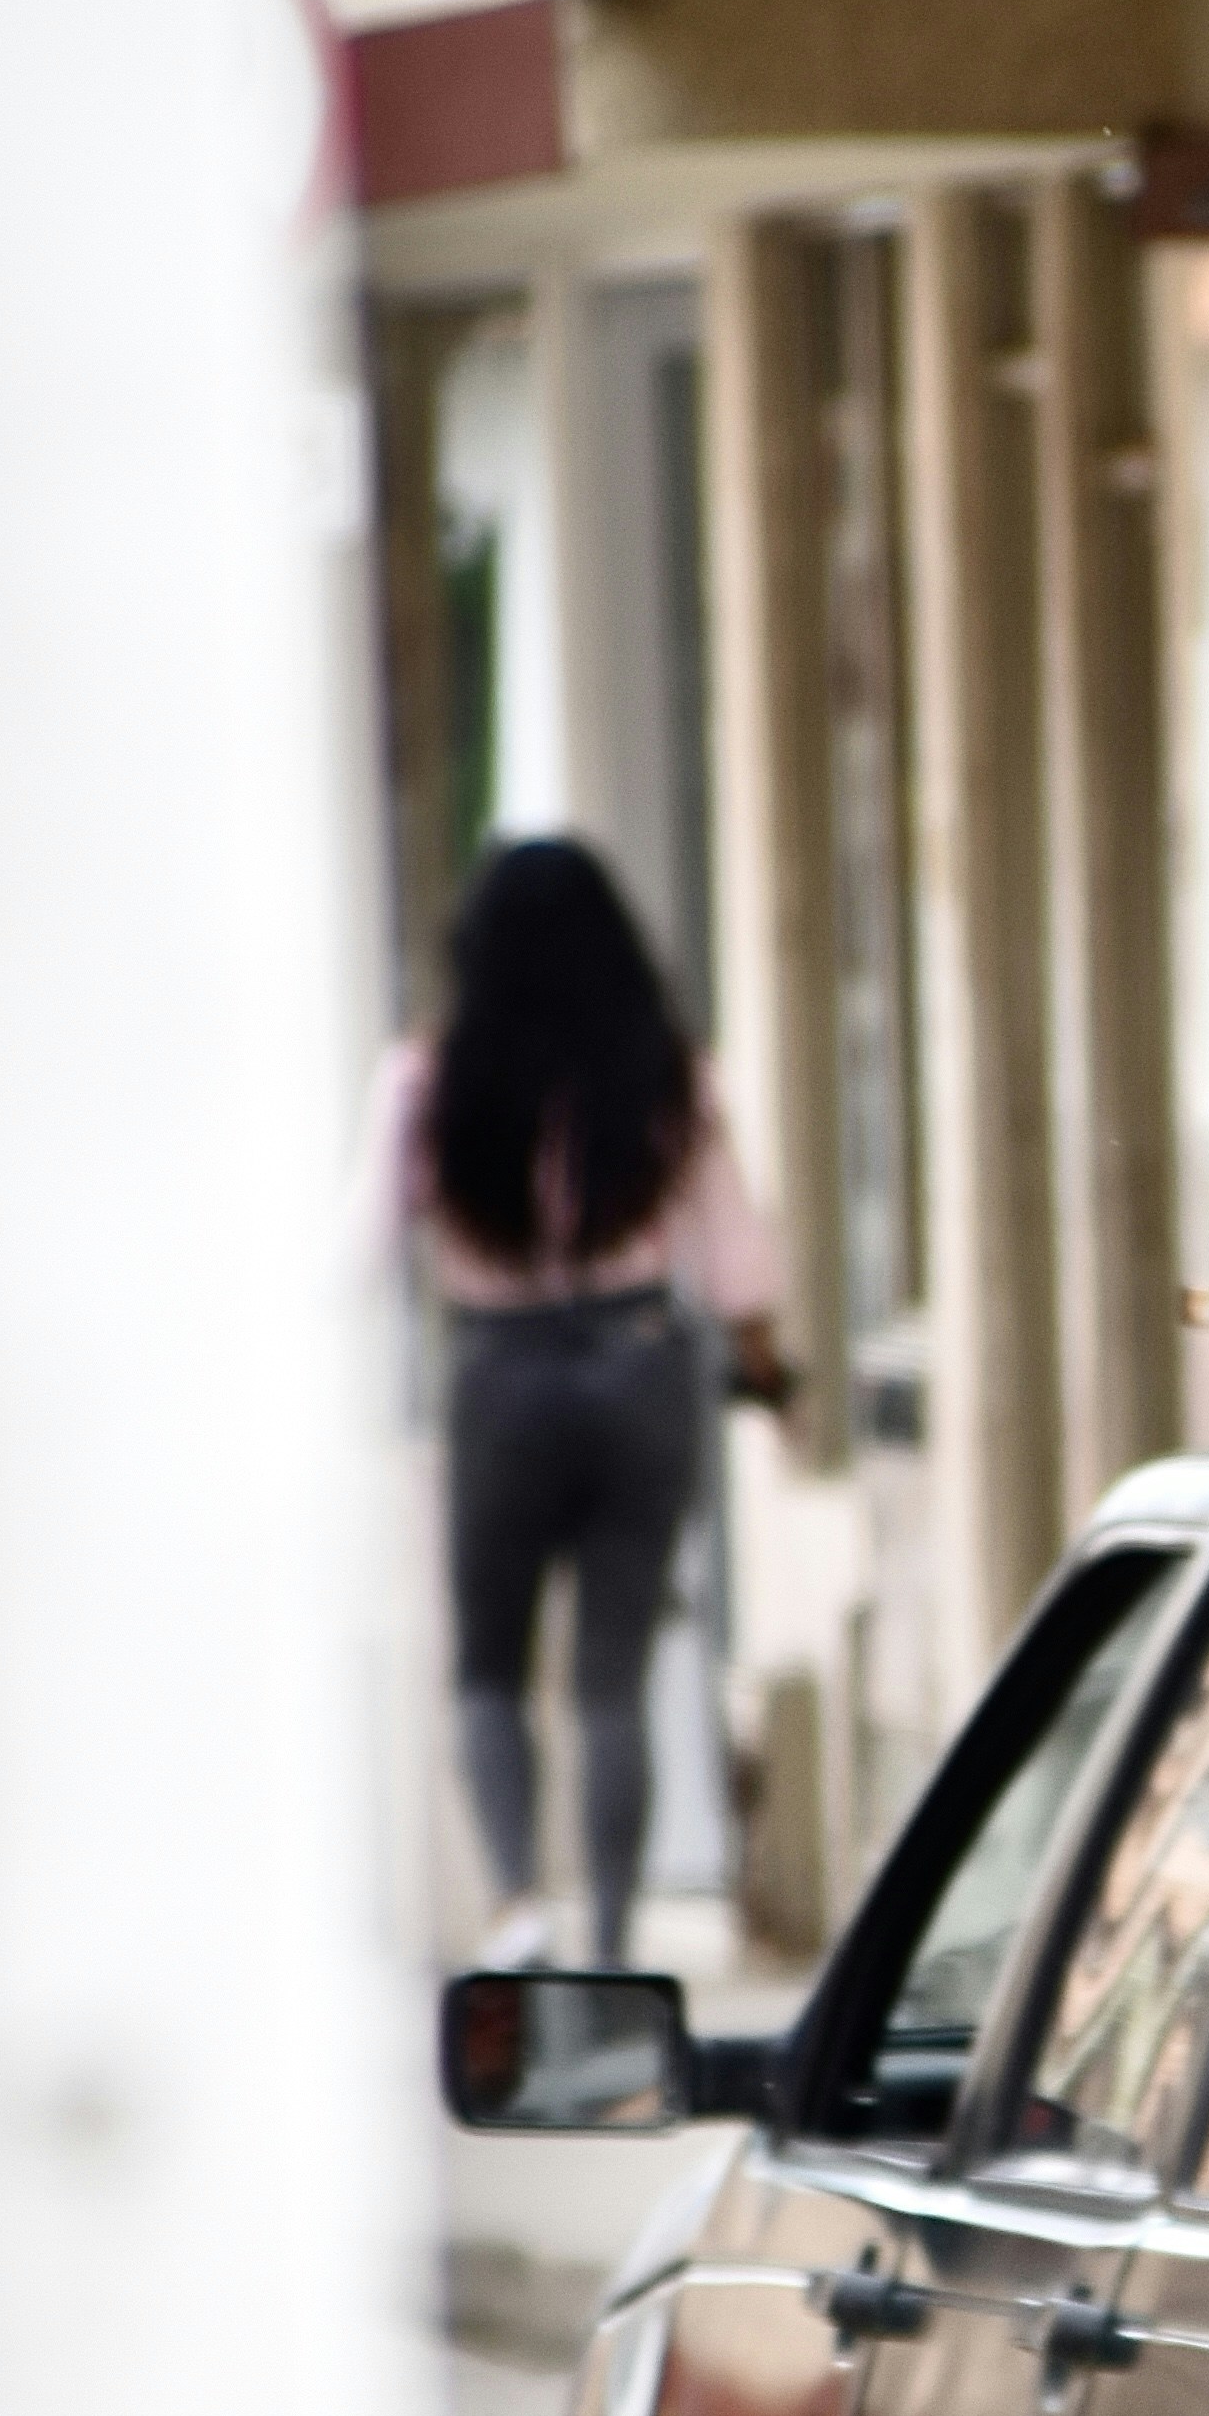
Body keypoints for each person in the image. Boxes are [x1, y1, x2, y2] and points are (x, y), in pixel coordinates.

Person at [361, 837, 793, 1964]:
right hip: (641, 1365)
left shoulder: (427, 1083)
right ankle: (608, 1939)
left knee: (491, 1668)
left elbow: (358, 1250)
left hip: (498, 1372)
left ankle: (518, 1906)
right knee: (611, 1679)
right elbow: (737, 1264)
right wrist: (766, 1366)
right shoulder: (666, 1077)